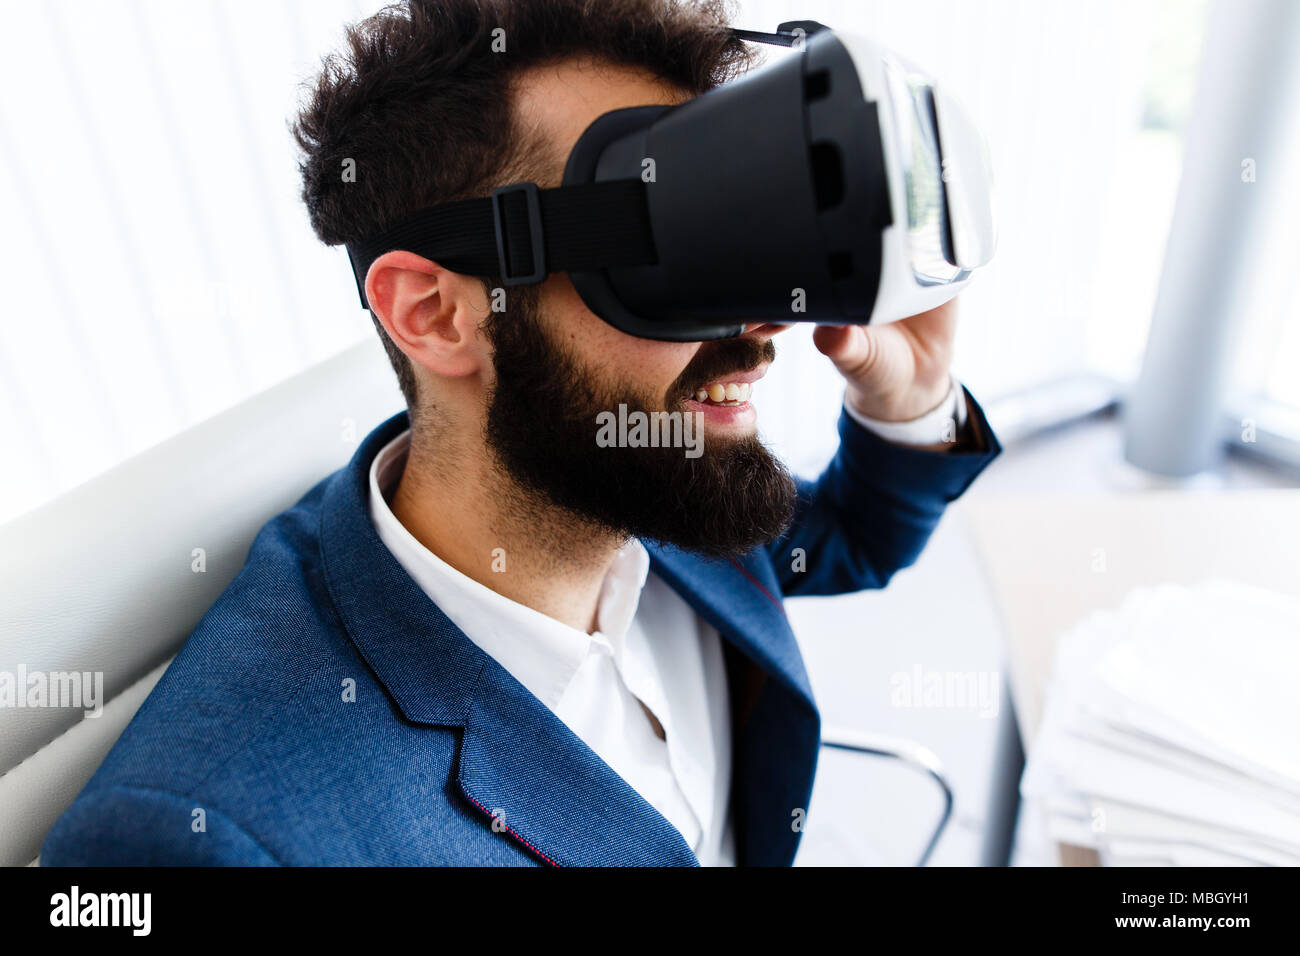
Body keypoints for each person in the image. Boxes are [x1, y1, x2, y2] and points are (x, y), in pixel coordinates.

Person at [43, 0, 999, 867]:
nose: (764, 323)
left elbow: (845, 540)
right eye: (678, 246)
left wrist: (911, 397)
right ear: (437, 313)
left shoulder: (630, 469)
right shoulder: (212, 839)